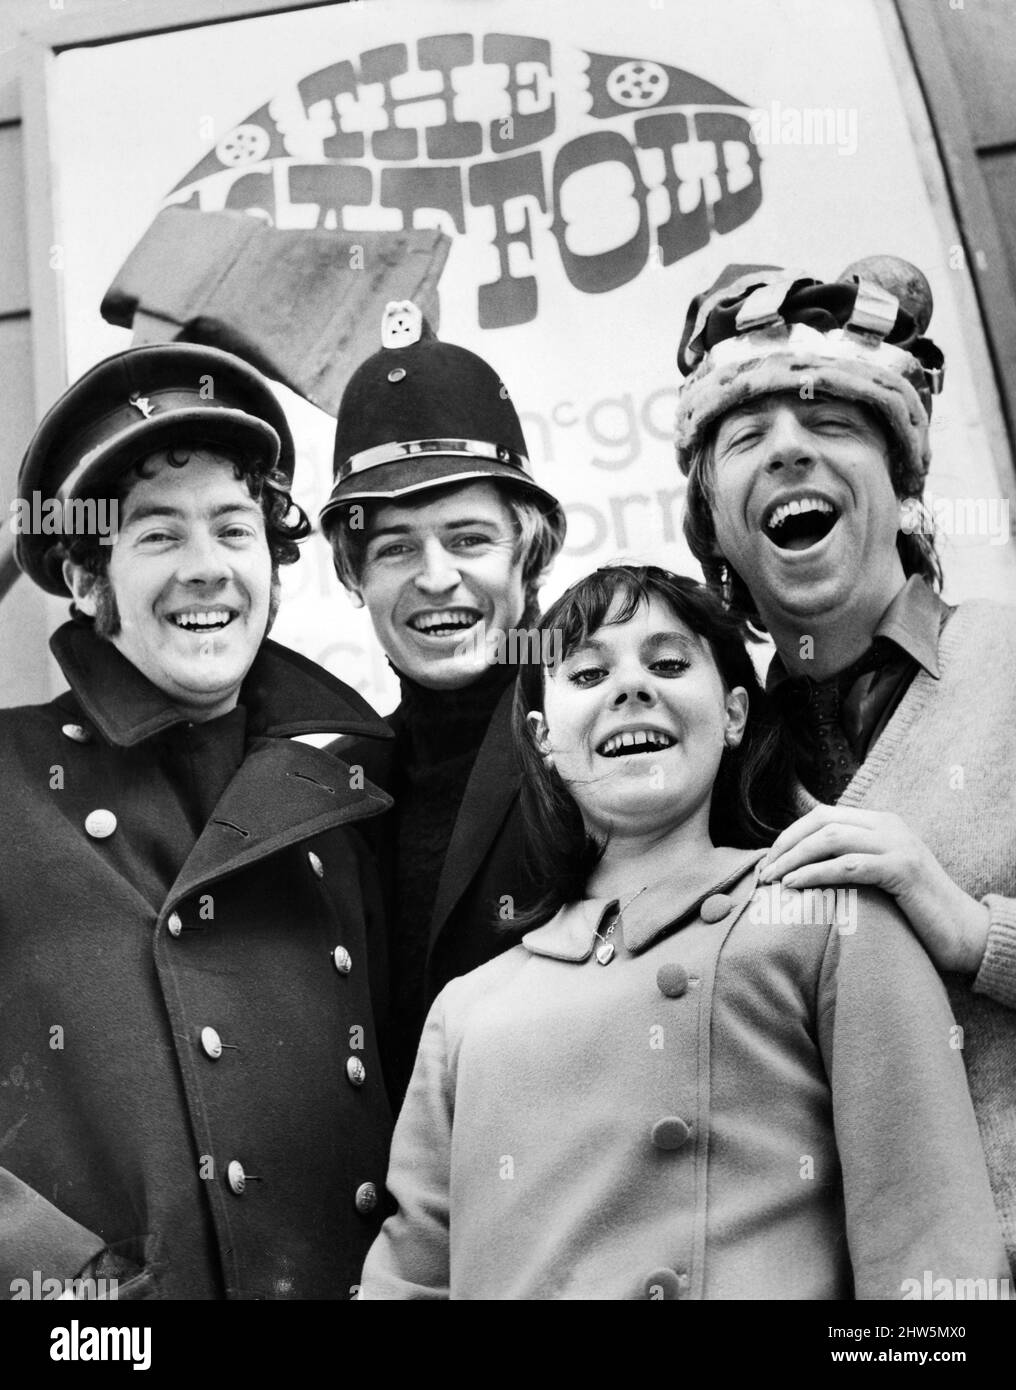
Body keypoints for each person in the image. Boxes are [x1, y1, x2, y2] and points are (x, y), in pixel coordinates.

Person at [358, 565, 1008, 1300]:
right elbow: (407, 1284)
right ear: (542, 736)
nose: (632, 688)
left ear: (734, 714)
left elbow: (934, 1261)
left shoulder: (829, 914)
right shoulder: (466, 1011)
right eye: (587, 672)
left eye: (668, 664)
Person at [1, 343, 393, 1300]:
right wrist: (61, 1277)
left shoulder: (344, 793)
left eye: (234, 528)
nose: (208, 569)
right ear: (91, 582)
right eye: (158, 536)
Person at [676, 257, 1016, 1269]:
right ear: (715, 529)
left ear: (902, 489)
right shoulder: (717, 762)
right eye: (744, 437)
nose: (786, 450)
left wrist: (967, 929)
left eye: (828, 424)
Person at [319, 302, 566, 1103]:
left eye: (468, 539)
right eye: (395, 547)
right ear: (355, 579)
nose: (435, 577)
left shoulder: (607, 734)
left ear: (527, 557)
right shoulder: (329, 797)